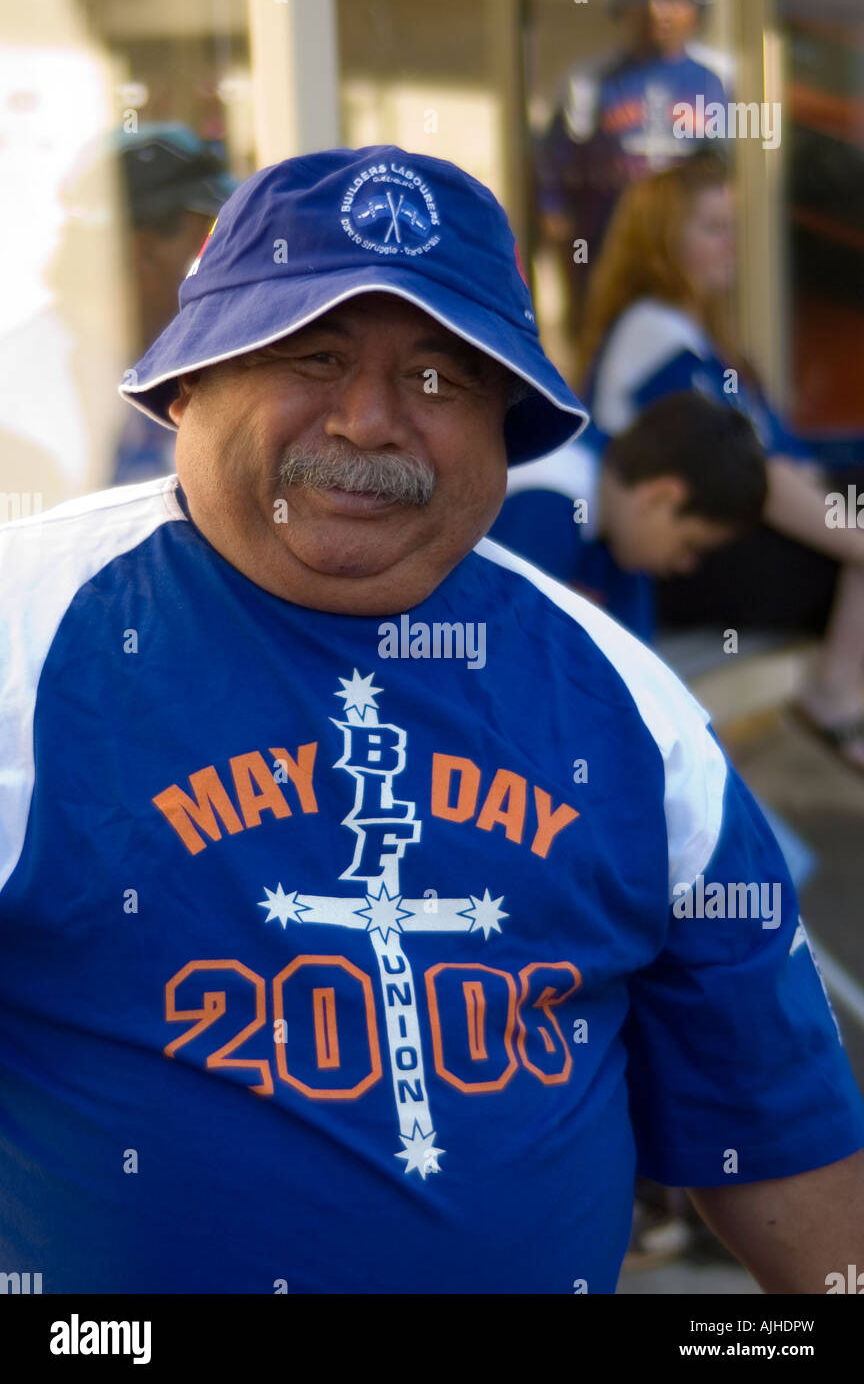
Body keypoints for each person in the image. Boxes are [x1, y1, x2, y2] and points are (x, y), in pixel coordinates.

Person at [1, 146, 862, 1295]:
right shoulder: (28, 636)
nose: (370, 420)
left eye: (442, 376)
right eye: (313, 353)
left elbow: (782, 1133)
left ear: (508, 426)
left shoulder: (633, 713)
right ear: (186, 385)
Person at [580, 151, 864, 773]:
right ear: (661, 243)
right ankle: (836, 697)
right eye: (712, 228)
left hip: (732, 547)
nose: (733, 244)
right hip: (677, 558)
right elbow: (746, 481)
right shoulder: (651, 329)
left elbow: (794, 462)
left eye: (732, 225)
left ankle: (839, 693)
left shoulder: (710, 341)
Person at [491, 390, 766, 643]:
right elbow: (507, 645)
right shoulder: (548, 504)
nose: (686, 565)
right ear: (661, 497)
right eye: (690, 546)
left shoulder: (623, 523)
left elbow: (634, 653)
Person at [536, 0, 727, 344]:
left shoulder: (719, 84)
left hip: (690, 277)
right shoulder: (587, 84)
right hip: (610, 270)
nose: (657, 11)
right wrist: (574, 295)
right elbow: (555, 207)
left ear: (696, 8)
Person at [112, 124, 237, 484]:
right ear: (144, 250)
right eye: (208, 240)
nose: (226, 261)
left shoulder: (208, 354)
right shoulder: (37, 381)